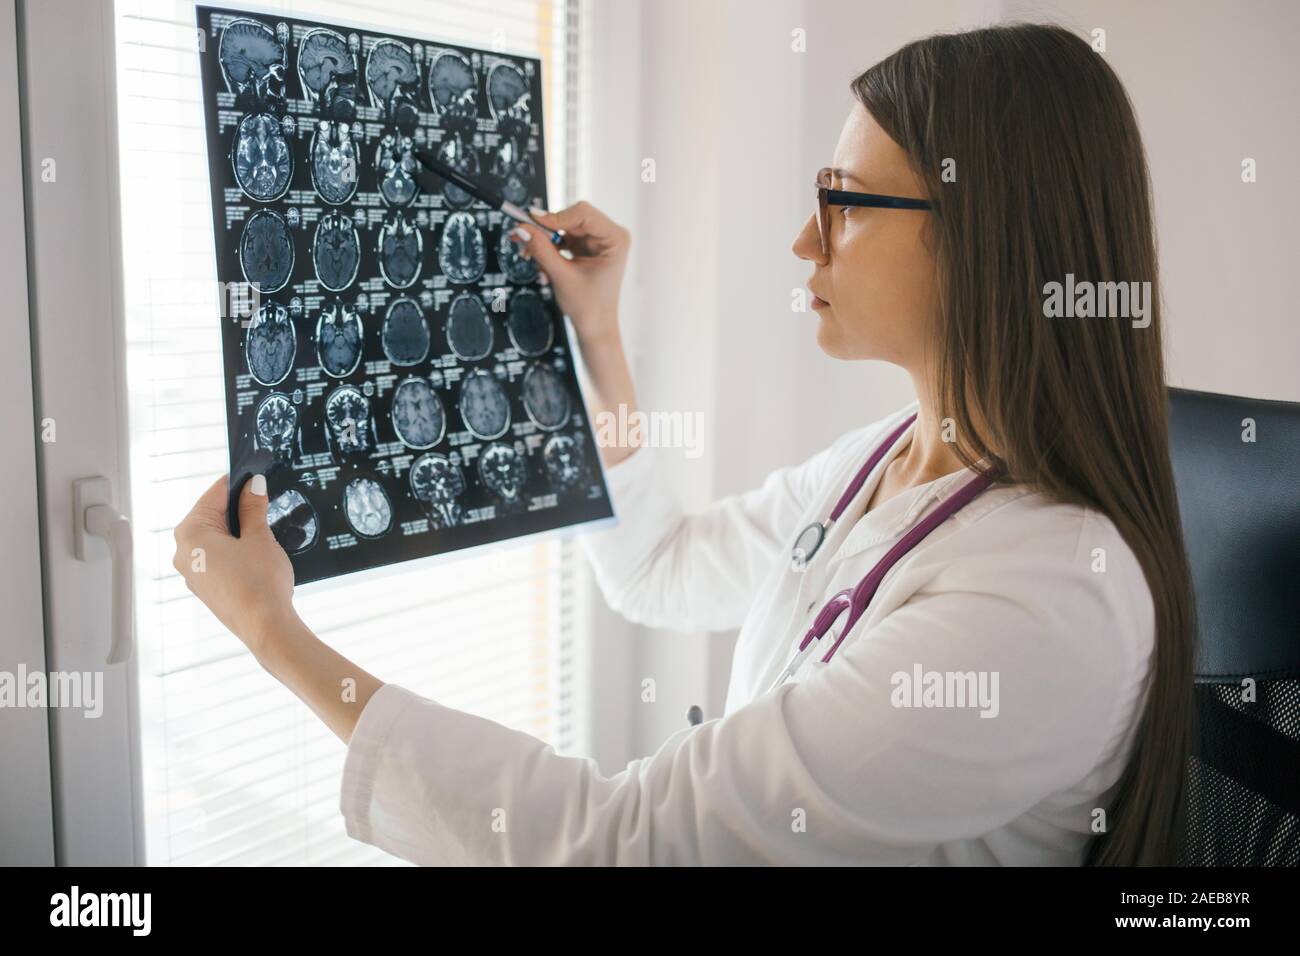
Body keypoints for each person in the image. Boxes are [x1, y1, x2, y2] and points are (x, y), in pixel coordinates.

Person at [174, 22, 1194, 865]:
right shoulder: (892, 460)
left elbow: (620, 844)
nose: (805, 240)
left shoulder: (1048, 598)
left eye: (842, 202)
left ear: (983, 233)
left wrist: (275, 635)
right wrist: (599, 336)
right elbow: (661, 568)